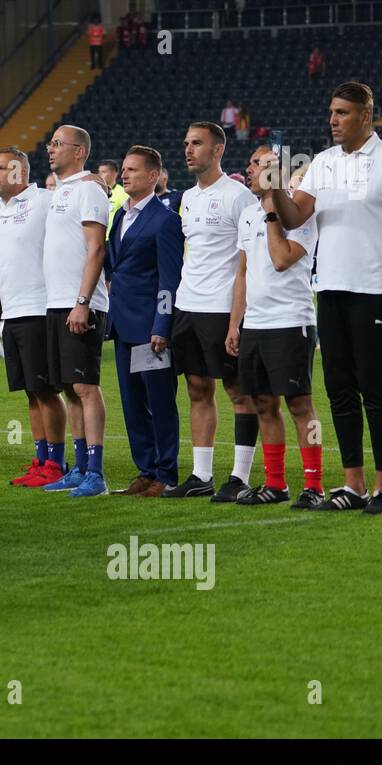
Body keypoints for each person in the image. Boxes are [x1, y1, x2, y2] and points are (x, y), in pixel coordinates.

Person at [272, 81, 382, 515]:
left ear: (365, 116)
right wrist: (275, 190)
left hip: (377, 292)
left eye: (342, 113)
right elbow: (296, 215)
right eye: (331, 112)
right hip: (331, 290)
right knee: (339, 389)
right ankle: (352, 485)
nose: (333, 120)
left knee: (375, 389)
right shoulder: (321, 163)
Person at [165, 122, 258, 502]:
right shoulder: (187, 197)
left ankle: (239, 475)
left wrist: (236, 319)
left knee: (238, 391)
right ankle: (201, 474)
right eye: (186, 142)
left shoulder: (239, 197)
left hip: (222, 309)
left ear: (217, 150)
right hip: (188, 305)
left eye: (197, 143)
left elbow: (246, 265)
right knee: (197, 388)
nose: (189, 149)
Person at [228, 146, 324, 507]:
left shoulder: (301, 215)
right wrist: (235, 324)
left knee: (300, 406)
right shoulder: (248, 214)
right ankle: (275, 483)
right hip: (255, 325)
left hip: (291, 322)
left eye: (258, 164)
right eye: (251, 162)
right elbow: (243, 274)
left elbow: (282, 259)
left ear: (277, 172)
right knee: (263, 404)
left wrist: (272, 214)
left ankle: (314, 486)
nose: (248, 168)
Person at [35, 130, 113, 496]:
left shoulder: (89, 190)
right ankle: (80, 468)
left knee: (85, 386)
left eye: (57, 143)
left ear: (79, 151)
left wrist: (82, 303)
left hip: (80, 303)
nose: (50, 148)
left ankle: (95, 473)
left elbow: (96, 249)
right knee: (68, 388)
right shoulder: (60, 190)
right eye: (50, 143)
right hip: (55, 303)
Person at [0, 145, 67, 488]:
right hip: (12, 312)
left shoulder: (46, 201)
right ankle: (41, 458)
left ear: (20, 171)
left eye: (2, 168)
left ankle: (57, 463)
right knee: (30, 392)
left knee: (46, 390)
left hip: (40, 308)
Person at [105, 145, 184, 497]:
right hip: (123, 325)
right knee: (133, 403)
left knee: (159, 402)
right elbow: (115, 262)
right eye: (124, 169)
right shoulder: (122, 216)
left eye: (133, 170)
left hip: (150, 327)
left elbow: (170, 278)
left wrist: (162, 325)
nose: (125, 175)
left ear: (153, 177)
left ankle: (166, 473)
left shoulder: (166, 220)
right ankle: (145, 469)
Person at [96, 158, 127, 228]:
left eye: (103, 172)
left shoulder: (122, 193)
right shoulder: (95, 192)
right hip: (96, 236)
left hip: (111, 237)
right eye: (99, 172)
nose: (99, 175)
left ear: (114, 174)